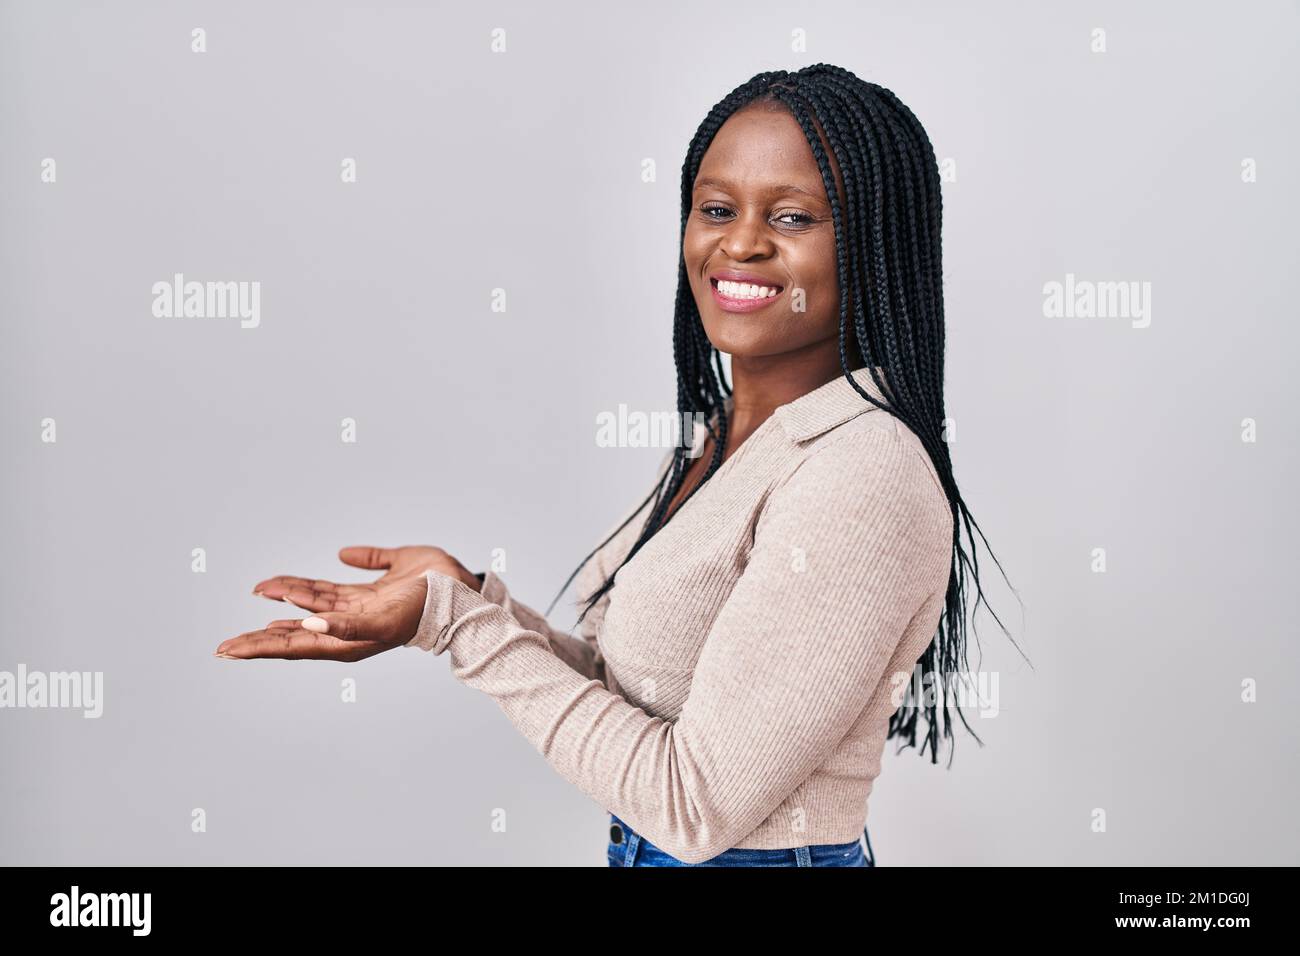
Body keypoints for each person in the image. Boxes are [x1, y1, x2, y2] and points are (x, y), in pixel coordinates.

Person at [215, 64, 1016, 867]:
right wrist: (464, 596)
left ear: (877, 245)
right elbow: (634, 695)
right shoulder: (730, 442)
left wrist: (454, 625)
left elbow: (693, 805)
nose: (739, 242)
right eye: (715, 208)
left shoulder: (862, 471)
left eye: (795, 216)